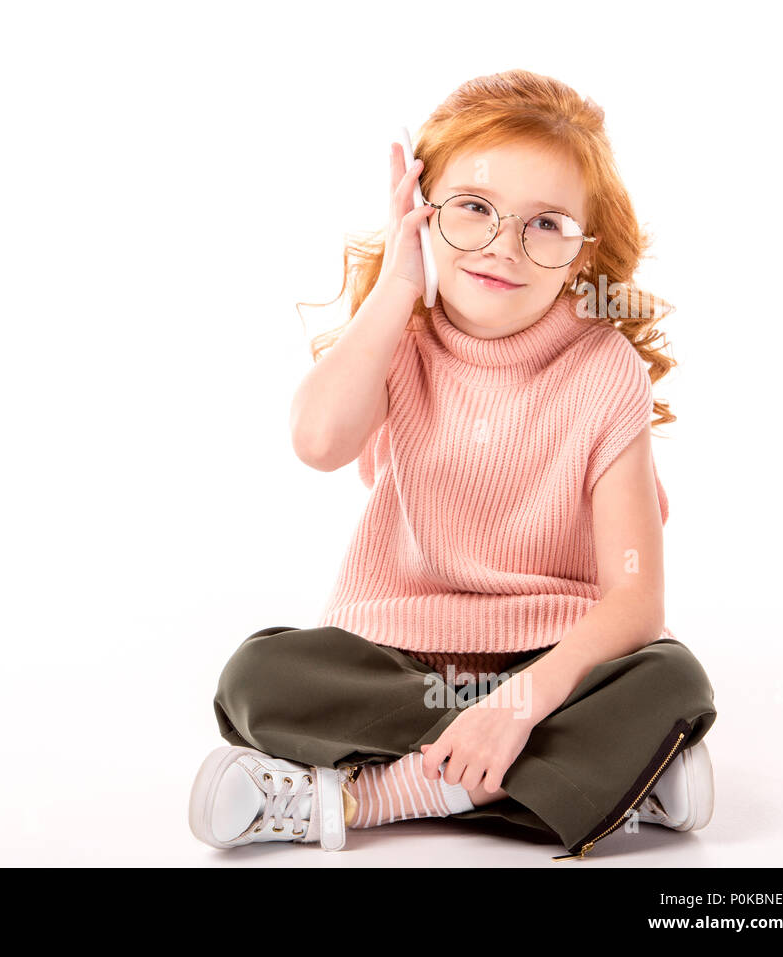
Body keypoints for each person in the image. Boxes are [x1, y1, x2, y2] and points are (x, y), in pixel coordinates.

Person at [188, 69, 717, 860]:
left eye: (546, 224)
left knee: (672, 682)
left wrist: (520, 701)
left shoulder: (606, 369)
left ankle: (361, 799)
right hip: (398, 656)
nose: (504, 245)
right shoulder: (399, 337)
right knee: (257, 676)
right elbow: (318, 440)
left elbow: (636, 596)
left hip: (553, 658)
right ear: (422, 212)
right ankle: (611, 782)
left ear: (581, 254)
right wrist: (398, 284)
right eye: (474, 208)